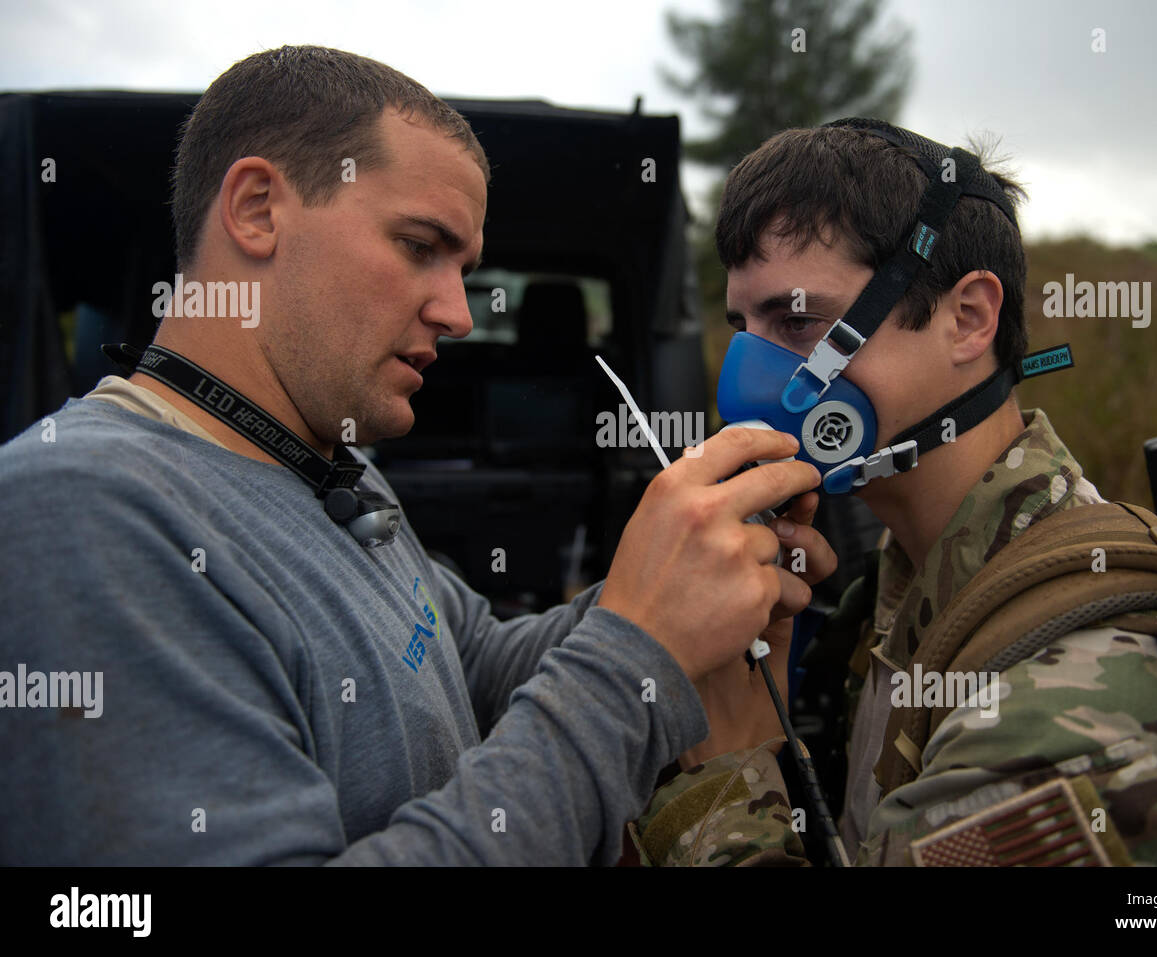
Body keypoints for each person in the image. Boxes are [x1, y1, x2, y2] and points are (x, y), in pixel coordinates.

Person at [0, 46, 837, 865]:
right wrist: (633, 652)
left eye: (465, 267)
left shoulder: (331, 464)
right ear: (257, 209)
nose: (460, 313)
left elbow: (470, 664)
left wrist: (682, 585)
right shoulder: (81, 510)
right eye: (419, 246)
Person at [629, 120, 1157, 867]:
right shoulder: (909, 583)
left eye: (798, 320)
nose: (749, 376)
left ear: (967, 319)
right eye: (745, 325)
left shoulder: (1080, 717)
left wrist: (728, 771)